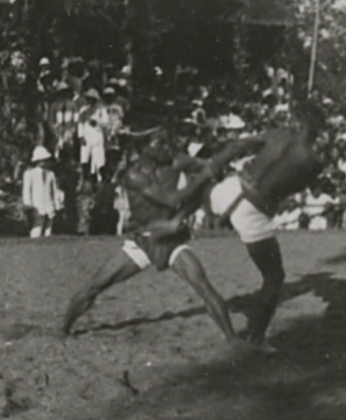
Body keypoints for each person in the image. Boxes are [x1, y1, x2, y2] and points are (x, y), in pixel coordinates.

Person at [62, 122, 247, 350]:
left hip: (172, 241)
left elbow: (212, 169)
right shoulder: (134, 175)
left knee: (204, 287)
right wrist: (202, 179)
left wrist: (181, 216)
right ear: (143, 147)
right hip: (143, 241)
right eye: (158, 142)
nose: (165, 147)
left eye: (166, 141)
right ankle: (62, 329)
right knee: (94, 287)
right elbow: (169, 199)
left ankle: (232, 339)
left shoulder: (177, 161)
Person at [207, 101, 327, 350]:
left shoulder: (278, 135)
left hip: (230, 188)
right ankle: (256, 339)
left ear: (297, 123)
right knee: (274, 277)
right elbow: (293, 188)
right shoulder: (314, 160)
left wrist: (215, 165)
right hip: (253, 208)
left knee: (194, 196)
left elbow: (239, 145)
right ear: (315, 130)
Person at [22, 146, 62, 238]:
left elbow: (54, 191)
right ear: (38, 161)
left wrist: (57, 204)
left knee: (49, 230)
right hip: (37, 206)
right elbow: (27, 191)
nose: (45, 162)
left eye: (46, 160)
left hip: (49, 205)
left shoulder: (50, 174)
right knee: (37, 229)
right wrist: (28, 205)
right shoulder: (30, 174)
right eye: (43, 160)